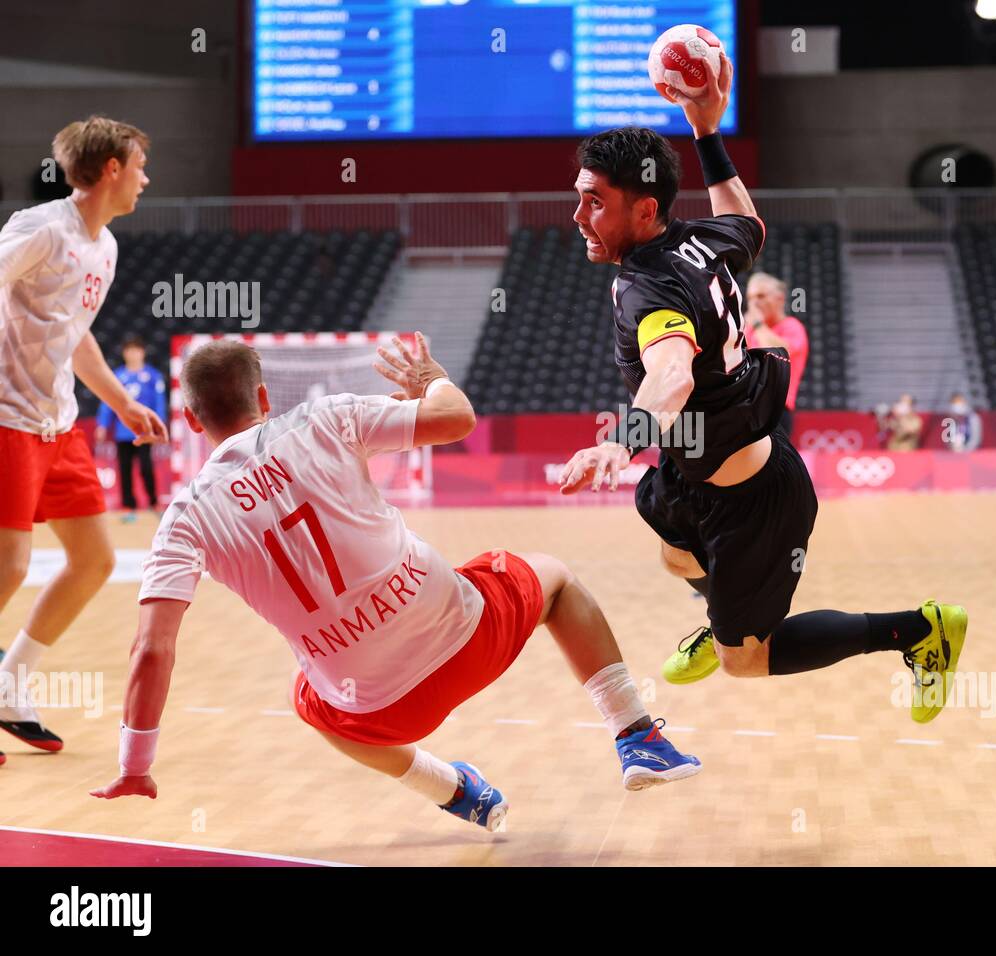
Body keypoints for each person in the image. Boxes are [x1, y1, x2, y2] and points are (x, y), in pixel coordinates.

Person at [90, 337, 698, 828]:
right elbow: (456, 418)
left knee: (311, 703)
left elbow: (152, 649)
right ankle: (636, 734)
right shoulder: (323, 417)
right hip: (470, 637)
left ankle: (456, 791)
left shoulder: (185, 516)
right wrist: (431, 378)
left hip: (382, 710)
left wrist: (135, 763)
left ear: (191, 420)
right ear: (266, 397)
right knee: (557, 581)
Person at [558, 54, 967, 723]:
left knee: (744, 659)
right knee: (673, 554)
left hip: (752, 502)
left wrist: (621, 443)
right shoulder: (700, 241)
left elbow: (670, 372)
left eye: (594, 200)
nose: (578, 214)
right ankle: (720, 607)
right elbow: (750, 225)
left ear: (645, 209)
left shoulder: (648, 284)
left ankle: (918, 630)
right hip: (694, 472)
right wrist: (707, 132)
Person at [0, 117, 166, 765]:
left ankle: (9, 681)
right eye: (140, 166)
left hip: (60, 420)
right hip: (8, 416)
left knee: (94, 559)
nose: (147, 179)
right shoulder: (40, 230)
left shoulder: (106, 246)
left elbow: (75, 333)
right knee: (12, 564)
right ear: (111, 170)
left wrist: (121, 401)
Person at [96, 336, 168, 519]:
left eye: (136, 350)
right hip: (123, 433)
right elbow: (108, 402)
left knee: (146, 467)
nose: (133, 354)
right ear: (124, 353)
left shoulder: (153, 376)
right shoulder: (118, 376)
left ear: (142, 352)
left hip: (145, 431)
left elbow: (159, 403)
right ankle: (128, 505)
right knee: (124, 469)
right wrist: (102, 425)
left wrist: (158, 424)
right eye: (129, 350)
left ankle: (153, 502)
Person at [743, 272, 807, 435]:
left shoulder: (793, 327)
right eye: (750, 298)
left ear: (780, 298)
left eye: (761, 296)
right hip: (744, 409)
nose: (754, 303)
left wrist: (757, 324)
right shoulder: (747, 329)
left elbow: (777, 355)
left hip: (776, 411)